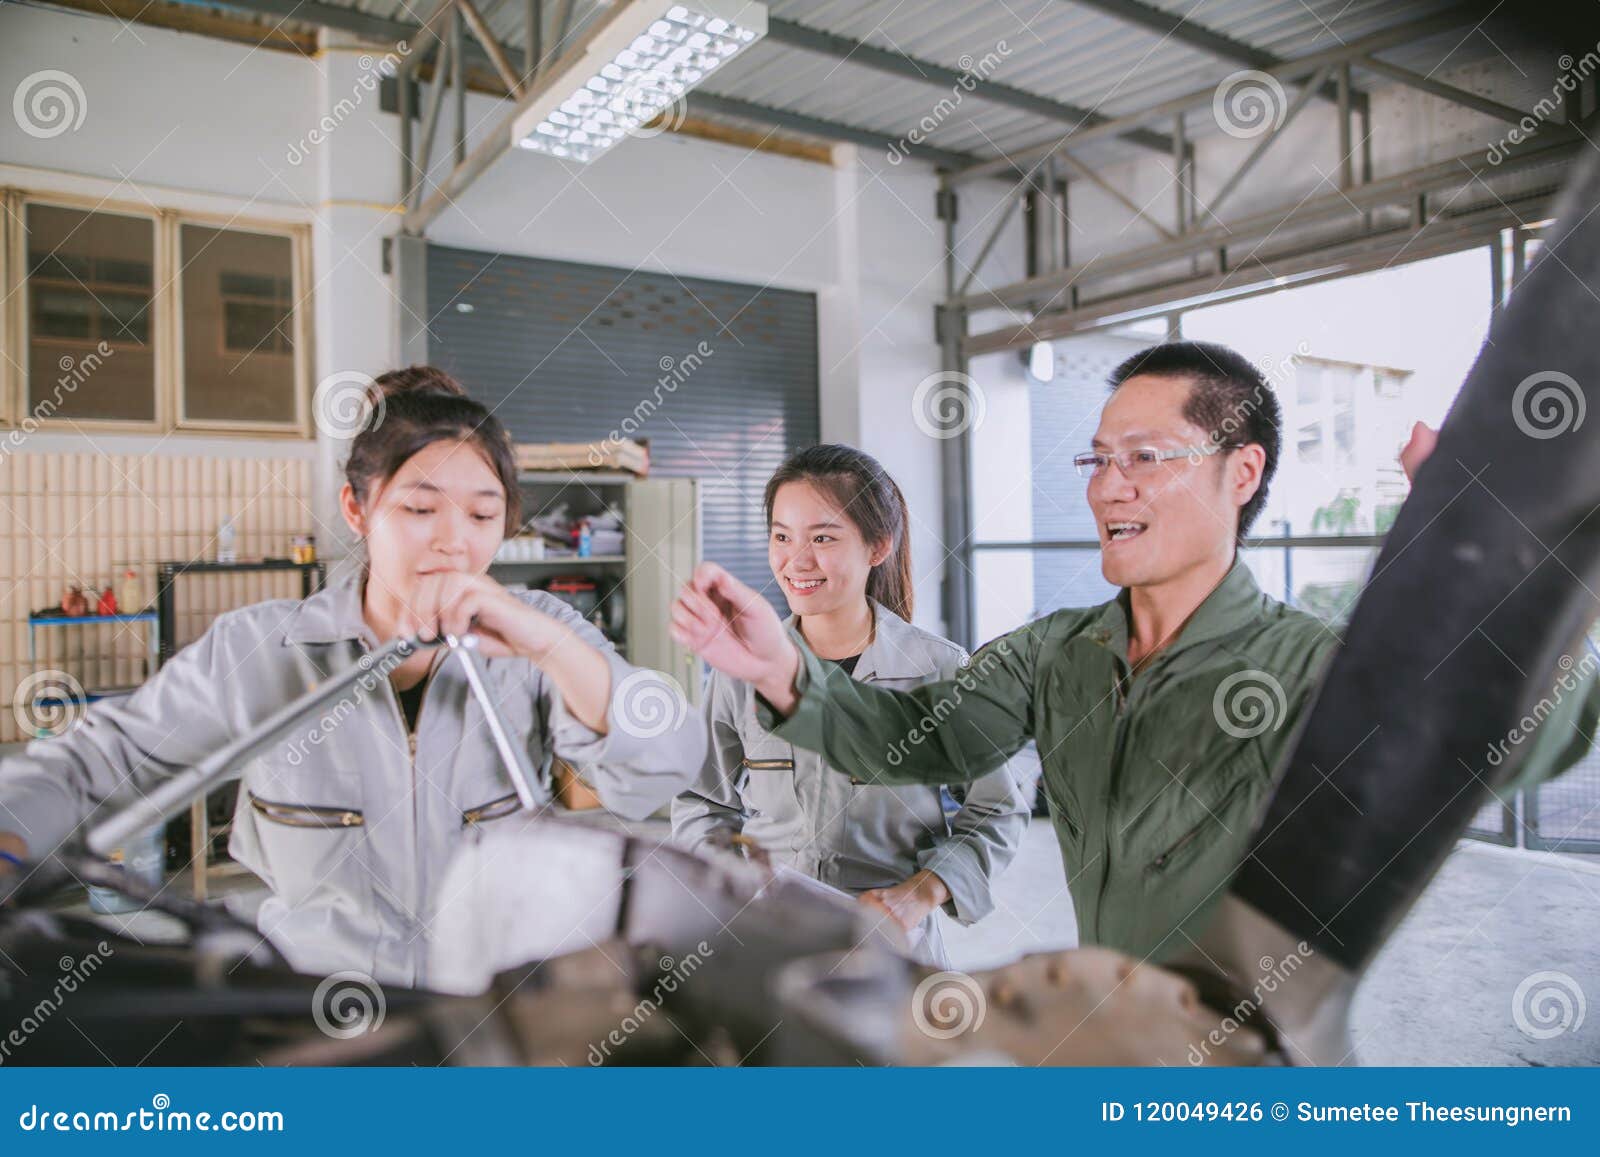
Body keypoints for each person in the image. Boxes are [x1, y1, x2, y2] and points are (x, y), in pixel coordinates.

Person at [668, 341, 1599, 960]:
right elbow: (919, 739)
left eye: (1145, 457)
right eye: (1098, 458)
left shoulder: (1308, 665)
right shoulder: (1056, 653)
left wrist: (1496, 555)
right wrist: (780, 671)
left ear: (1242, 472)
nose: (1108, 487)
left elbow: (1510, 743)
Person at [0, 367, 706, 988]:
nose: (454, 540)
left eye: (483, 514)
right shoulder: (267, 648)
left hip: (496, 1002)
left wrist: (549, 646)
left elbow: (664, 764)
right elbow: (99, 761)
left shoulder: (541, 633)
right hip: (322, 1011)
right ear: (356, 509)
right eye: (419, 508)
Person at [671, 445, 1027, 964]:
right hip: (767, 936)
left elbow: (997, 810)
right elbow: (702, 802)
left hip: (892, 944)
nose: (797, 560)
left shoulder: (939, 668)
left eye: (822, 538)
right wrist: (732, 886)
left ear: (877, 546)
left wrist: (918, 895)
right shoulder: (743, 667)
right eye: (782, 536)